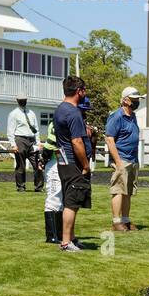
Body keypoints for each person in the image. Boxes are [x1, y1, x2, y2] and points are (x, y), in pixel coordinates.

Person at [53, 76, 92, 252]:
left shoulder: (61, 108)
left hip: (63, 159)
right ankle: (66, 242)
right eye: (84, 90)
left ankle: (72, 238)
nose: (85, 93)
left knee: (72, 201)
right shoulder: (73, 112)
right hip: (73, 162)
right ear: (79, 91)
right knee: (72, 202)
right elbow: (76, 142)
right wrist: (85, 165)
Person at [105, 86, 142, 232]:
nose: (137, 102)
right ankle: (116, 221)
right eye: (134, 99)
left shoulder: (133, 116)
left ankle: (125, 220)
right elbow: (109, 139)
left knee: (128, 191)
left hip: (132, 159)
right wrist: (118, 162)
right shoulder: (117, 116)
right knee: (118, 190)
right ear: (126, 100)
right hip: (122, 159)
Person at [7, 94, 42, 193]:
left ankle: (38, 187)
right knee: (20, 165)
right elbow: (10, 131)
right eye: (21, 100)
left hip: (32, 140)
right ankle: (21, 186)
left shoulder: (32, 113)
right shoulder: (13, 114)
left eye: (24, 99)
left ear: (26, 100)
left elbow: (36, 129)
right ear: (17, 100)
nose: (23, 101)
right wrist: (13, 144)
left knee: (37, 164)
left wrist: (38, 142)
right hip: (20, 140)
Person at [40, 122, 63, 243]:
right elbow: (49, 145)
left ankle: (58, 234)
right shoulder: (57, 122)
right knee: (54, 198)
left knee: (60, 200)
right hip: (55, 163)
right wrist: (43, 159)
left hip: (59, 163)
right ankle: (51, 235)